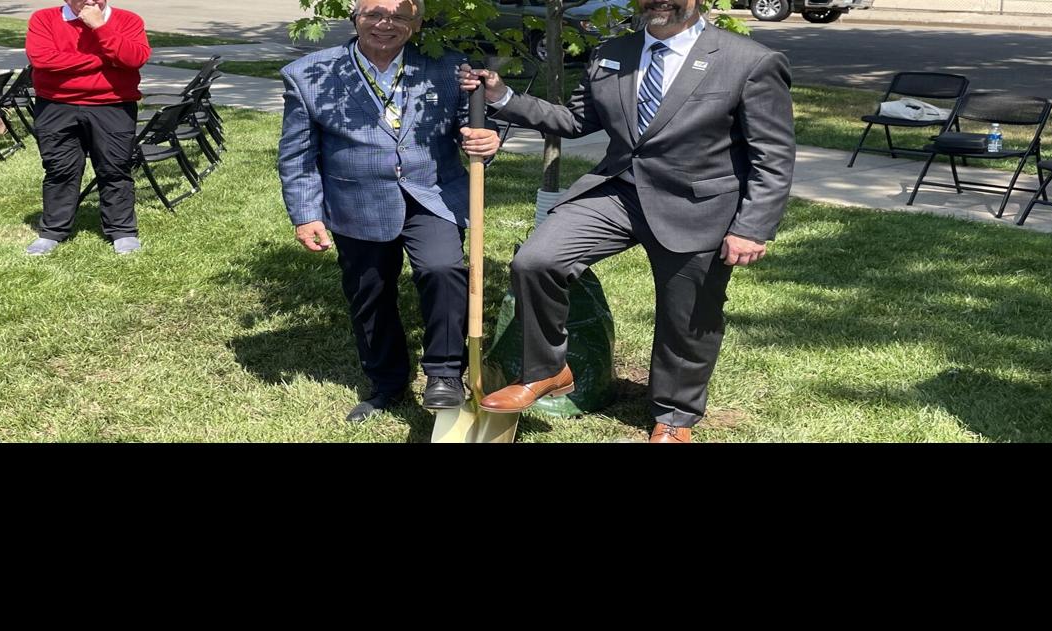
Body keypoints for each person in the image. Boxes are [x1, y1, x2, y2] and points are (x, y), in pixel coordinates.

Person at [460, 0, 795, 443]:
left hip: (698, 205)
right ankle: (548, 370)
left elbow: (772, 155)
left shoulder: (749, 60)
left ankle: (674, 417)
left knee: (687, 316)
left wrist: (751, 226)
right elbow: (575, 120)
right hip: (618, 192)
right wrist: (503, 96)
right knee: (537, 261)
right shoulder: (613, 51)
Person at [278, 0, 500, 423]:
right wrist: (305, 214)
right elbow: (298, 155)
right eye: (375, 14)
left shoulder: (448, 67)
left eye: (400, 16)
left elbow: (470, 128)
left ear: (416, 25)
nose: (386, 24)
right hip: (355, 200)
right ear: (355, 18)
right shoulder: (309, 74)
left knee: (442, 270)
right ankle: (387, 384)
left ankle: (444, 374)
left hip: (432, 194)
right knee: (370, 293)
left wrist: (487, 144)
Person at [24, 0, 151, 255]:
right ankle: (53, 230)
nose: (92, 0)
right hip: (56, 106)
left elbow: (134, 58)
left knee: (115, 168)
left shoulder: (128, 20)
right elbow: (44, 60)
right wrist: (105, 59)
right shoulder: (44, 19)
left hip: (113, 105)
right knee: (59, 168)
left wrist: (99, 26)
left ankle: (122, 230)